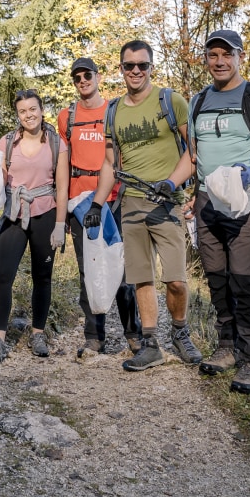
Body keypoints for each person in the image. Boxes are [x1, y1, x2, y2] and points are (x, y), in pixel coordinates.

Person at [83, 40, 202, 372]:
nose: (135, 71)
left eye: (142, 65)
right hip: (131, 201)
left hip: (167, 201)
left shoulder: (170, 100)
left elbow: (194, 151)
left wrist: (172, 182)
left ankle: (180, 332)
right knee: (141, 278)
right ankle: (151, 345)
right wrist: (96, 202)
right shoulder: (114, 111)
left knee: (176, 279)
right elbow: (110, 163)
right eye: (129, 66)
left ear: (151, 67)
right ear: (120, 69)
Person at [168, 30, 250, 394]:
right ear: (206, 60)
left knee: (245, 280)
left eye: (227, 55)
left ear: (240, 56)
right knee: (217, 279)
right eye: (213, 55)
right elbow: (192, 157)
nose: (220, 61)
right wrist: (173, 184)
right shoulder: (197, 101)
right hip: (206, 204)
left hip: (246, 203)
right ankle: (227, 347)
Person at [57, 57, 141, 355]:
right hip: (80, 203)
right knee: (88, 270)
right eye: (77, 77)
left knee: (123, 269)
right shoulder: (66, 116)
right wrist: (62, 209)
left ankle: (134, 334)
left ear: (98, 76)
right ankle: (94, 336)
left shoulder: (114, 111)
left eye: (87, 75)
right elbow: (63, 164)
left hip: (114, 198)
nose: (83, 80)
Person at [0, 90, 69, 361]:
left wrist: (60, 224)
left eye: (33, 109)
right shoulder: (7, 142)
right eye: (23, 111)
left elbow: (63, 187)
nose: (29, 115)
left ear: (41, 110)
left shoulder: (56, 143)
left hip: (45, 213)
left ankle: (37, 333)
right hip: (13, 214)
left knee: (42, 277)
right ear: (17, 115)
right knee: (3, 275)